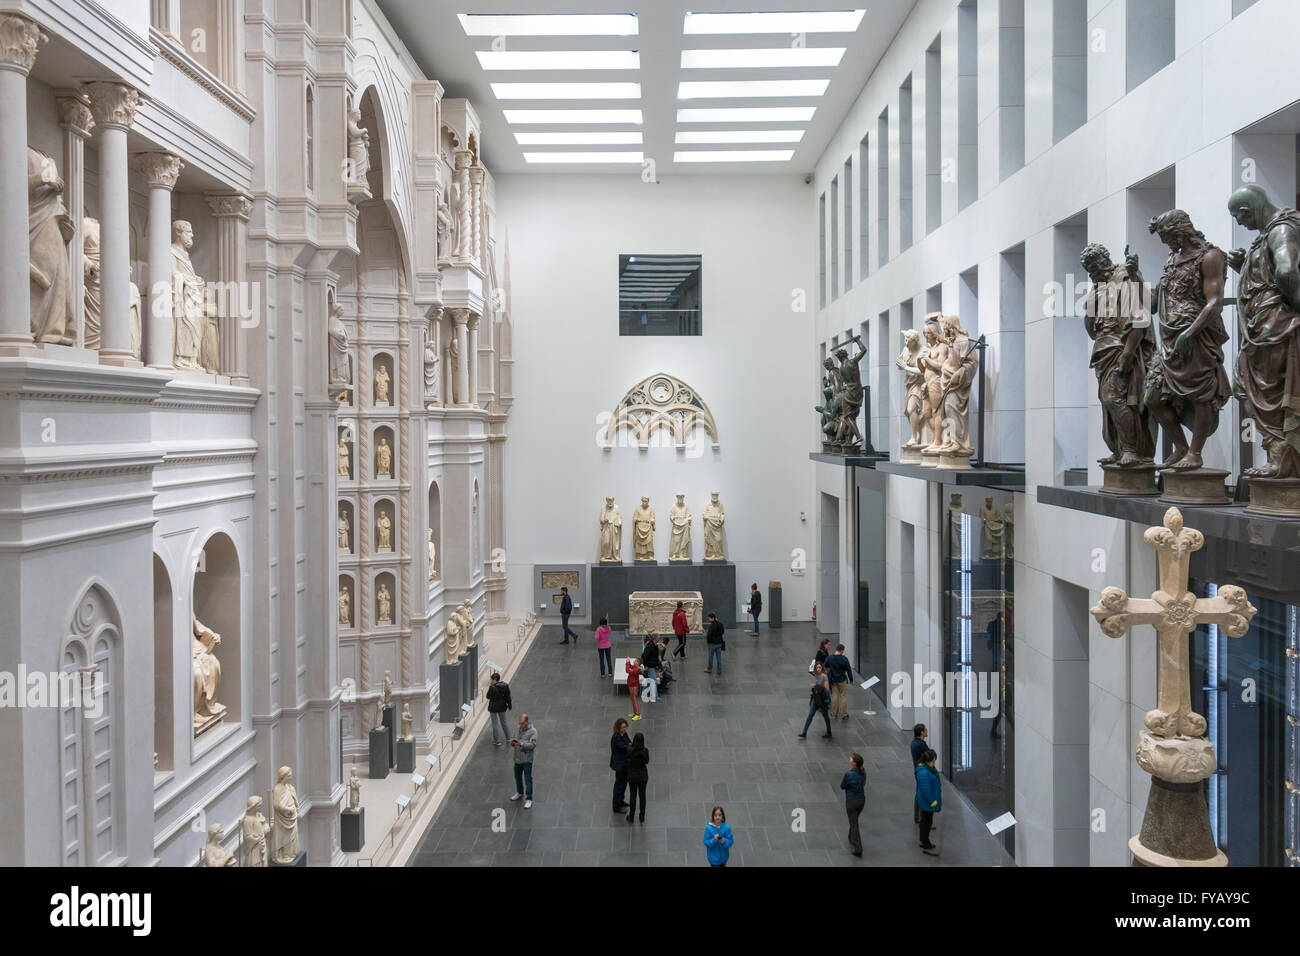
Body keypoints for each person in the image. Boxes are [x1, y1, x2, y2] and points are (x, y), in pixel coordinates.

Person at [509, 713, 537, 809]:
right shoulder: (517, 728)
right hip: (517, 758)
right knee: (517, 777)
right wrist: (512, 742)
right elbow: (512, 737)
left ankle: (529, 798)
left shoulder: (533, 731)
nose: (520, 725)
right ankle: (519, 792)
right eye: (519, 723)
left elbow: (533, 745)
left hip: (527, 760)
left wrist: (521, 744)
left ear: (526, 722)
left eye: (522, 723)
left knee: (528, 779)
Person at [841, 753, 867, 857]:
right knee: (854, 820)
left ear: (854, 763)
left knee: (854, 823)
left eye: (851, 758)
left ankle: (858, 848)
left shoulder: (849, 774)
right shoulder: (863, 773)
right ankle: (851, 836)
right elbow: (863, 783)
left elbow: (842, 786)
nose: (850, 758)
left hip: (851, 801)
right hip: (861, 801)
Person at [915, 749, 941, 855]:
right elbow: (926, 791)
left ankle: (923, 841)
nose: (934, 763)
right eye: (933, 761)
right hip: (928, 803)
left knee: (924, 822)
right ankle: (926, 845)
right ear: (927, 761)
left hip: (927, 803)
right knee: (926, 823)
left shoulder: (925, 770)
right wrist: (933, 802)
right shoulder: (924, 773)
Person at [798, 662, 833, 739]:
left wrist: (827, 702)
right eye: (817, 667)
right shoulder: (816, 675)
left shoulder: (824, 677)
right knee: (810, 714)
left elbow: (827, 690)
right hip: (816, 698)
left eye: (820, 667)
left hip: (823, 699)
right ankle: (804, 732)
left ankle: (829, 731)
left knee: (825, 716)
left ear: (822, 668)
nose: (818, 669)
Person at [625, 732, 650, 823]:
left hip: (632, 776)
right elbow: (647, 761)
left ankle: (631, 816)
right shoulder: (645, 751)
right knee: (642, 796)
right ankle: (642, 816)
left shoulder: (630, 750)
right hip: (643, 776)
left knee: (633, 796)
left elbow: (627, 757)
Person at [825, 643, 854, 720]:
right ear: (841, 650)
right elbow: (848, 670)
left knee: (834, 696)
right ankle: (844, 714)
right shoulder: (844, 659)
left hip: (833, 680)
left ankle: (834, 714)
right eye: (843, 651)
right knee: (843, 696)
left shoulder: (829, 658)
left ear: (836, 649)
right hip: (842, 680)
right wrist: (851, 680)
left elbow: (825, 666)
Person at [609, 718, 631, 813]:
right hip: (620, 765)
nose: (624, 729)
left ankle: (621, 801)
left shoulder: (624, 734)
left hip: (624, 764)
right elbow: (625, 747)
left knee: (623, 784)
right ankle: (616, 806)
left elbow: (629, 742)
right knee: (619, 785)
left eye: (625, 727)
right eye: (622, 727)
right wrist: (630, 746)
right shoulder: (616, 737)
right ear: (618, 728)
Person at [485, 672, 512, 747]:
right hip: (502, 707)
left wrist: (490, 687)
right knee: (504, 722)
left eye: (492, 680)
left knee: (495, 724)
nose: (491, 681)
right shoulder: (505, 686)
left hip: (493, 708)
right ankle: (508, 738)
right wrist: (509, 706)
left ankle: (497, 741)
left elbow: (488, 696)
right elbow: (508, 697)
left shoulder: (492, 687)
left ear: (495, 680)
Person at [640, 632, 661, 703]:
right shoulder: (650, 646)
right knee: (653, 681)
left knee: (649, 681)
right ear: (655, 638)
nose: (660, 638)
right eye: (659, 637)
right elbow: (644, 655)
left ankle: (643, 693)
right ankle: (655, 696)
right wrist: (646, 665)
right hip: (650, 666)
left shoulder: (654, 645)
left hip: (652, 665)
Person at [625, 656, 642, 720]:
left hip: (634, 686)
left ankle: (638, 714)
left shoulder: (636, 669)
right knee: (632, 699)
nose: (634, 661)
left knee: (635, 699)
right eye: (635, 660)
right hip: (631, 685)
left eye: (636, 661)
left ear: (638, 663)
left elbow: (627, 670)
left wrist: (627, 662)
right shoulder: (634, 667)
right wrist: (628, 663)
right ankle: (635, 712)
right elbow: (630, 667)